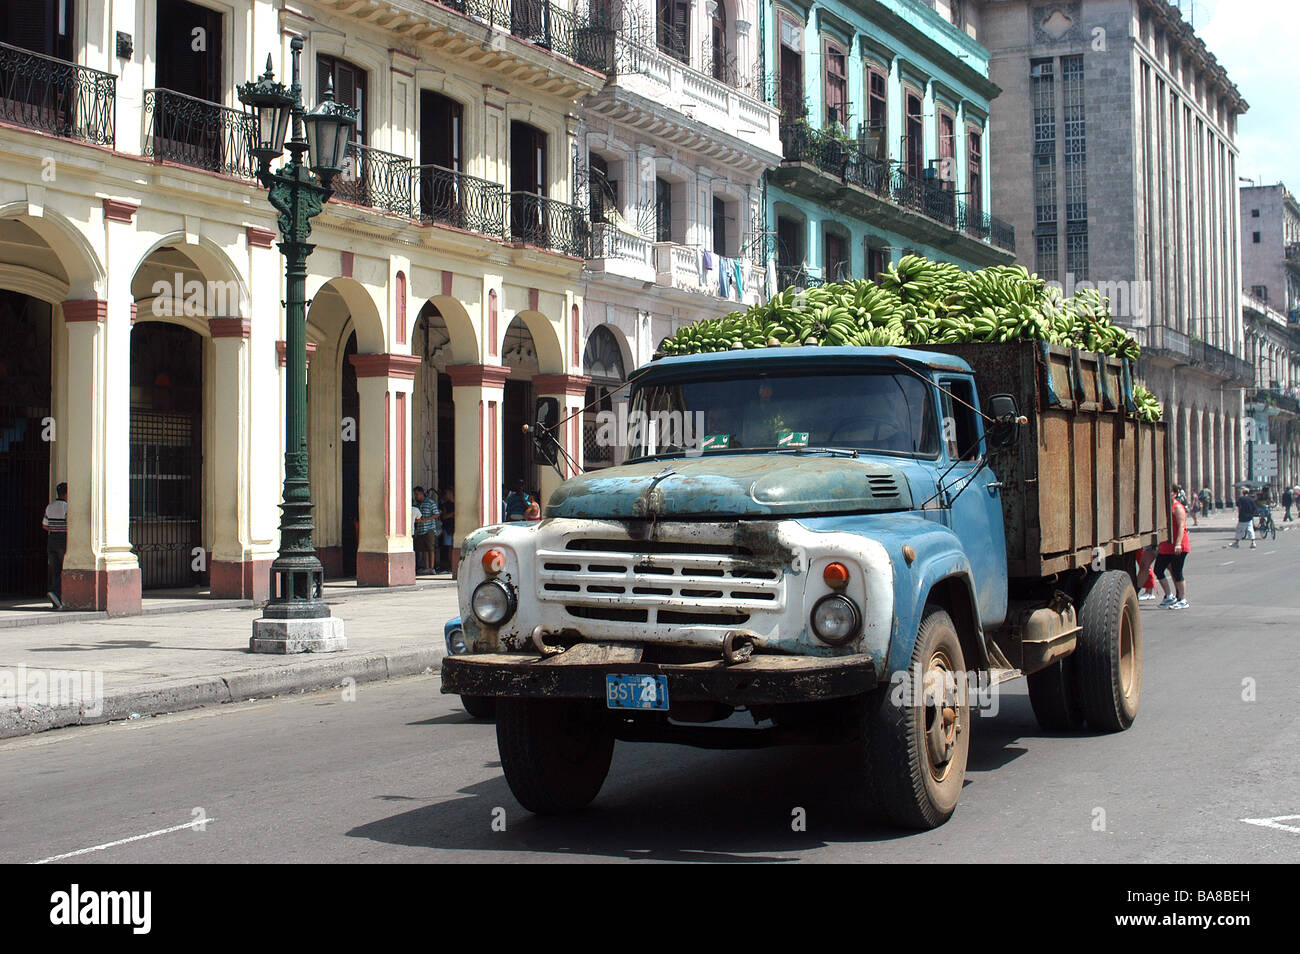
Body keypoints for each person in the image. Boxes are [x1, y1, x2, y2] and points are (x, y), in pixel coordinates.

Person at [1155, 486, 1190, 609]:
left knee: (1177, 572)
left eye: (1169, 492)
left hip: (1178, 545)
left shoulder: (1178, 508)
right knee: (1158, 570)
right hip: (1166, 545)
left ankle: (1182, 599)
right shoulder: (1164, 507)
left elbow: (1181, 526)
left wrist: (1178, 543)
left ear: (1175, 494)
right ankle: (1169, 596)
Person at [42, 482, 68, 610]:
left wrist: (54, 528)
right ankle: (55, 592)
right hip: (63, 541)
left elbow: (45, 525)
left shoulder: (50, 506)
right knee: (65, 569)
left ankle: (56, 601)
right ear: (66, 494)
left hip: (51, 540)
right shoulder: (67, 507)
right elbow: (71, 524)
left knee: (55, 570)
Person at [413, 486, 440, 574]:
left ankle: (432, 567)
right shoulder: (417, 505)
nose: (416, 496)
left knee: (430, 548)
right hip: (420, 530)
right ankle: (426, 567)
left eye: (417, 494)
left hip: (429, 529)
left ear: (421, 493)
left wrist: (426, 519)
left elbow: (436, 514)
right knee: (423, 549)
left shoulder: (430, 502)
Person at [439, 488, 457, 578]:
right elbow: (444, 517)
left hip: (455, 527)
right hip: (448, 528)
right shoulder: (445, 505)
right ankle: (451, 565)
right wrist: (452, 514)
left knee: (454, 546)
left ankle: (453, 565)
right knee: (449, 547)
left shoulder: (457, 504)